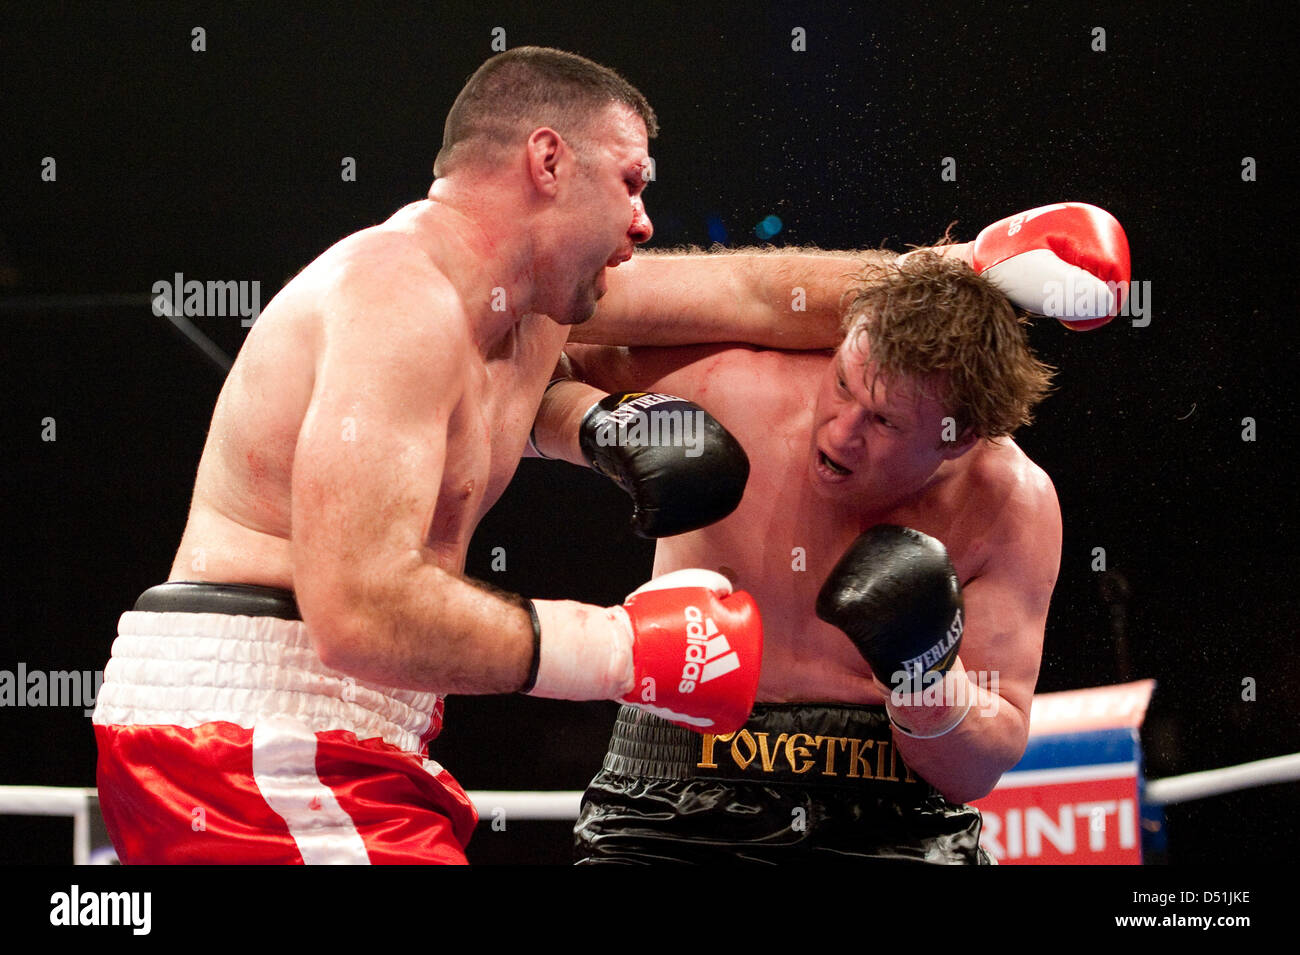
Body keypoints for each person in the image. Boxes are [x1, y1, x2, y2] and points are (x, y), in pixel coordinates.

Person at [90, 45, 855, 865]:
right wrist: (626, 652)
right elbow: (362, 610)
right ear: (549, 159)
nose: (643, 221)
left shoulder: (531, 310)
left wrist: (966, 275)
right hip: (249, 728)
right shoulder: (395, 295)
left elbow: (758, 296)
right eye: (632, 181)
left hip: (349, 732)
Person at [528, 203, 1130, 863]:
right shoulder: (728, 386)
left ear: (960, 440)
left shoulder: (1010, 502)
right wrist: (597, 425)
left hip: (894, 822)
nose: (840, 429)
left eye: (885, 422)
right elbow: (513, 367)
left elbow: (977, 768)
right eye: (841, 383)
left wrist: (929, 684)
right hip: (674, 786)